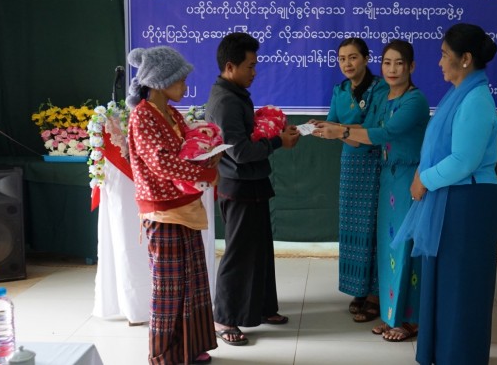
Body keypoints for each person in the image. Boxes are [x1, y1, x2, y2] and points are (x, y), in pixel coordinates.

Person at [390, 23, 497, 364]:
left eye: (444, 55)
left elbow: (464, 161)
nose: (439, 63)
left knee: (462, 286)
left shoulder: (477, 99)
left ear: (465, 59)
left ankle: (460, 355)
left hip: (468, 202)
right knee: (444, 282)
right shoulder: (460, 93)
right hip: (452, 198)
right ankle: (442, 352)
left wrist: (424, 179)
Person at [314, 40, 429, 341]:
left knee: (405, 248)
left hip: (407, 178)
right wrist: (332, 129)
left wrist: (340, 130)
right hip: (388, 178)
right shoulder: (387, 98)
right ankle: (392, 315)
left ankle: (410, 319)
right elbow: (366, 130)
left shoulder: (413, 101)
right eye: (387, 63)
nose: (392, 69)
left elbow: (384, 133)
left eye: (399, 63)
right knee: (388, 247)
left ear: (411, 66)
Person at [125, 46, 220, 365]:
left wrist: (211, 150)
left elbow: (185, 150)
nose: (184, 85)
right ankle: (164, 354)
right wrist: (205, 171)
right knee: (168, 287)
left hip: (184, 206)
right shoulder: (143, 115)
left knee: (192, 281)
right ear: (159, 81)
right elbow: (162, 162)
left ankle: (190, 347)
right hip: (162, 211)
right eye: (180, 80)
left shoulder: (172, 113)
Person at [205, 32, 300, 346]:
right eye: (250, 66)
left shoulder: (235, 94)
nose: (254, 72)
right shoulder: (225, 101)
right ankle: (224, 317)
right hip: (238, 186)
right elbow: (240, 151)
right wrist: (278, 142)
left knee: (259, 249)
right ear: (230, 66)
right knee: (238, 253)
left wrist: (273, 131)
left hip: (253, 184)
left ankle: (262, 307)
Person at [311, 37, 388, 322]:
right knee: (353, 227)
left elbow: (374, 129)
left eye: (353, 57)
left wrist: (341, 129)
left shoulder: (381, 88)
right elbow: (332, 123)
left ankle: (376, 293)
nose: (347, 64)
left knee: (373, 226)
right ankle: (359, 288)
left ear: (367, 58)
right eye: (342, 59)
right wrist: (318, 129)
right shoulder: (340, 89)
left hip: (376, 164)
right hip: (350, 165)